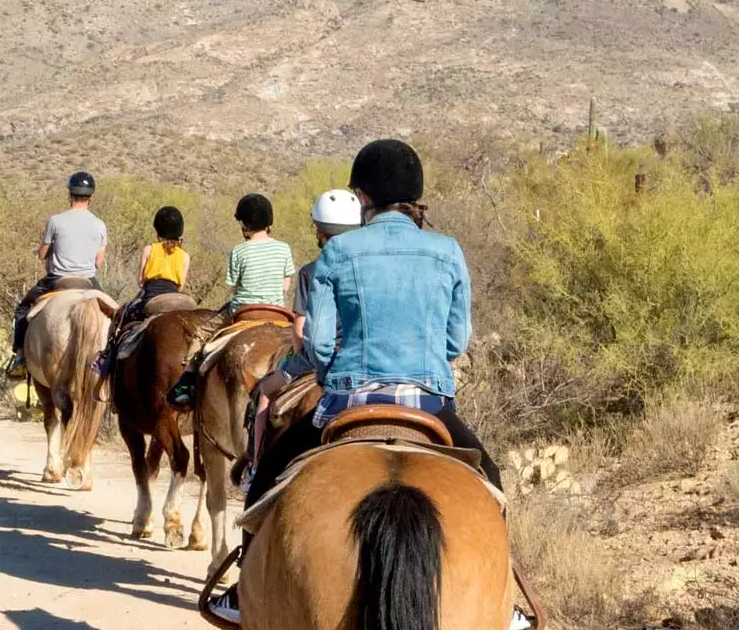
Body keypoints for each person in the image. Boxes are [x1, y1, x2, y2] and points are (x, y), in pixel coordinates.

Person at [206, 140, 503, 625]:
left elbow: (320, 344)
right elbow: (457, 339)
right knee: (491, 483)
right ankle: (504, 597)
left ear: (362, 196)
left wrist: (332, 372)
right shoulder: (447, 252)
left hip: (345, 404)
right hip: (428, 407)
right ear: (415, 195)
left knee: (265, 482)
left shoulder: (338, 252)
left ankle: (243, 588)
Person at [236, 188, 361, 489]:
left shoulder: (312, 271)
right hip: (361, 354)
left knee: (264, 392)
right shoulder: (365, 267)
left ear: (320, 230)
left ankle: (254, 467)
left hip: (315, 358)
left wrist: (300, 353)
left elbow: (300, 329)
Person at [165, 193, 296, 408]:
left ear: (244, 224)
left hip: (244, 311)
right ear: (268, 221)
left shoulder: (239, 250)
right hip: (277, 311)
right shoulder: (284, 248)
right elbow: (285, 285)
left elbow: (234, 287)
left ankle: (186, 383)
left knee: (202, 335)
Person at [6, 172, 108, 380]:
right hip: (88, 282)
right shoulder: (99, 225)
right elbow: (98, 262)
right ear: (91, 196)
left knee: (23, 309)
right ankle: (109, 364)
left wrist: (49, 253)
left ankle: (20, 357)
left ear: (70, 194)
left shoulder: (55, 220)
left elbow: (42, 254)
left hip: (56, 280)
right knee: (112, 316)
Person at [92, 205, 190, 397]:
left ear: (157, 230)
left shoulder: (149, 249)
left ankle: (105, 367)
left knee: (120, 321)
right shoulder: (184, 255)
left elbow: (140, 280)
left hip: (151, 298)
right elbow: (181, 286)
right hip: (178, 300)